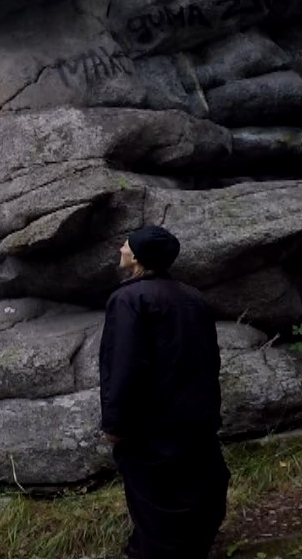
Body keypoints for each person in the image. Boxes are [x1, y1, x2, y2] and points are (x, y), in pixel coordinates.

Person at [99, 226, 230, 558]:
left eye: (126, 244)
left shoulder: (129, 299)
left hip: (151, 433)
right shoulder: (193, 297)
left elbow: (125, 365)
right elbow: (209, 361)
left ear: (138, 257)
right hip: (196, 429)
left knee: (158, 521)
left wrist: (115, 425)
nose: (121, 247)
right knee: (196, 508)